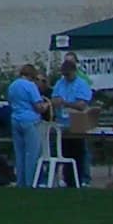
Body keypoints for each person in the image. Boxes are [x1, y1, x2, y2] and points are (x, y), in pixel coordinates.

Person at [49, 56, 97, 184]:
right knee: (64, 151)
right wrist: (56, 102)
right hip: (62, 123)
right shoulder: (61, 83)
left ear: (74, 71)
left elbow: (82, 104)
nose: (66, 77)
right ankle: (67, 178)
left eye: (68, 74)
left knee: (79, 153)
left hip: (77, 122)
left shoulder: (82, 84)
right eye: (64, 75)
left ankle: (81, 179)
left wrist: (65, 103)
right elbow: (53, 99)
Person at [8, 63, 48, 187]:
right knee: (32, 154)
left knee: (19, 154)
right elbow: (38, 107)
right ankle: (31, 182)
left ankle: (20, 182)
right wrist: (46, 105)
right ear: (32, 76)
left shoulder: (12, 85)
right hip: (30, 121)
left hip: (15, 119)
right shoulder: (30, 86)